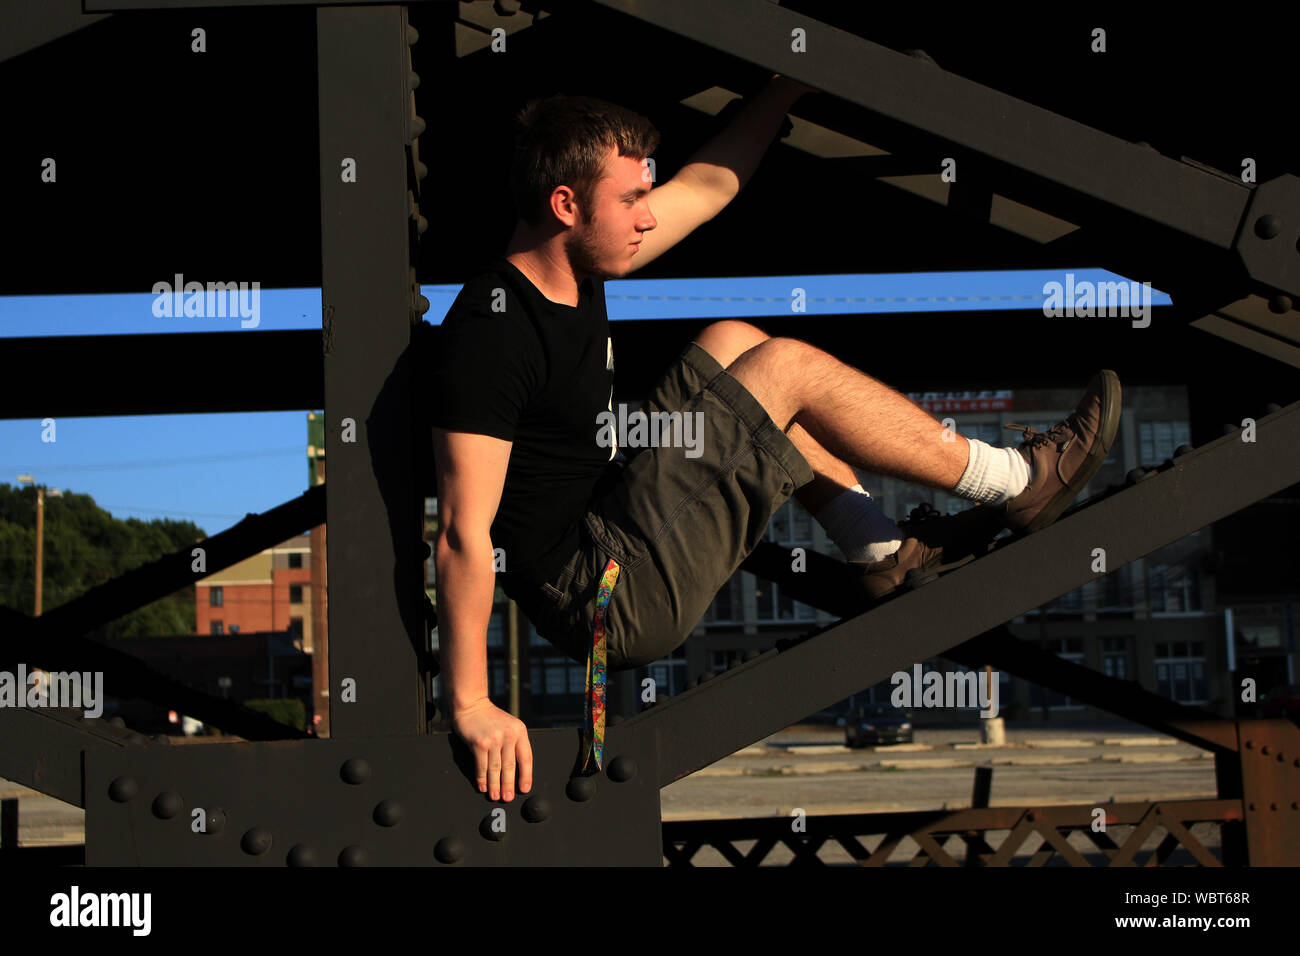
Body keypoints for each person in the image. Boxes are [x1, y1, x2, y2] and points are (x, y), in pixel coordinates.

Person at [426, 79, 1121, 806]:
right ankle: (1013, 480)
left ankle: (882, 554)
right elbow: (461, 532)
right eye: (630, 199)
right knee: (782, 368)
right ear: (565, 205)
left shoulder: (583, 259)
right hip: (604, 597)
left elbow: (707, 186)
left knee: (736, 343)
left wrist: (787, 85)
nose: (646, 216)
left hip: (612, 518)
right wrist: (469, 702)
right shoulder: (493, 333)